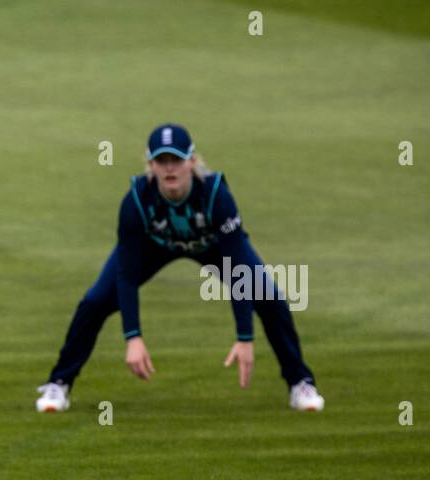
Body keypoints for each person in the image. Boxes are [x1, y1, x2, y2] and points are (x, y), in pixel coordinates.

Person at [36, 124, 324, 413]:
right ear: (151, 165)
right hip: (154, 247)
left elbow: (238, 268)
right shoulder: (136, 201)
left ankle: (300, 382)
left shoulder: (216, 196)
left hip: (213, 247)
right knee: (95, 302)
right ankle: (59, 383)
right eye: (162, 161)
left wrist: (244, 337)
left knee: (270, 298)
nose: (170, 169)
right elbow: (126, 273)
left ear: (192, 162)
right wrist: (132, 336)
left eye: (176, 160)